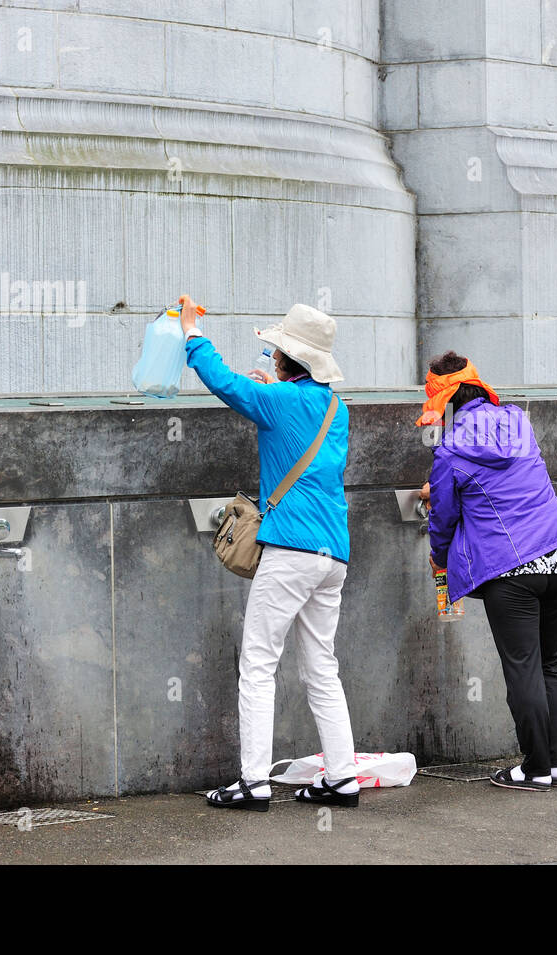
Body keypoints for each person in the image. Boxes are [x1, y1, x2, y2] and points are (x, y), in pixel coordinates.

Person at [179, 295, 361, 811]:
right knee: (322, 667)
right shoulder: (334, 407)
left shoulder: (278, 402)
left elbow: (223, 382)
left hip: (291, 548)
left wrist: (192, 332)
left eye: (276, 349)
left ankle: (254, 782)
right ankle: (342, 777)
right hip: (334, 552)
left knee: (259, 663)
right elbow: (283, 409)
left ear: (285, 359)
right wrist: (271, 386)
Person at [420, 351, 557, 792]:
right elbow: (508, 479)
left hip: (512, 568)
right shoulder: (517, 420)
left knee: (522, 667)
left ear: (445, 401)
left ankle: (535, 767)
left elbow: (445, 517)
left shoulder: (449, 447)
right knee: (550, 662)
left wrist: (439, 557)